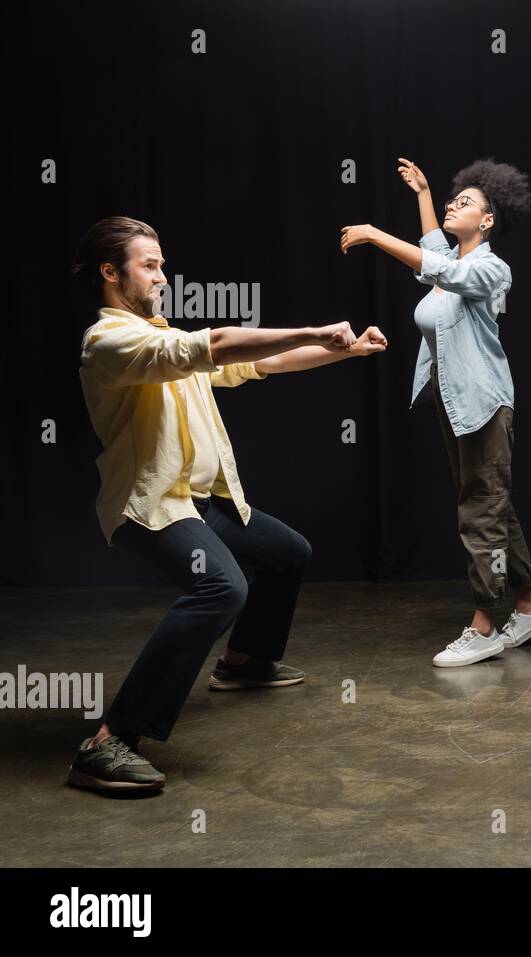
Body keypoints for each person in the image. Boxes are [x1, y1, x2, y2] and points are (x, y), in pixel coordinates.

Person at [69, 216, 387, 792]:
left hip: (201, 501)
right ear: (110, 273)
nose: (163, 274)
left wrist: (342, 350)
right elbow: (214, 344)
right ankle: (109, 740)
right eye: (150, 264)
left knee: (287, 552)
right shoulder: (110, 342)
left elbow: (252, 363)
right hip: (151, 507)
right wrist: (312, 327)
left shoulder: (161, 338)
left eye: (163, 263)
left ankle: (243, 664)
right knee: (222, 587)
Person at [340, 157, 531, 667]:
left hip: (482, 402)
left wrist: (372, 233)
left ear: (488, 221)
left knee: (480, 510)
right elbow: (435, 248)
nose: (456, 206)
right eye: (454, 200)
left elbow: (439, 265)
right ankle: (528, 607)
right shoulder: (454, 259)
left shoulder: (488, 269)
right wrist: (425, 193)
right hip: (453, 400)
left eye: (467, 203)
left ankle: (484, 624)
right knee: (491, 503)